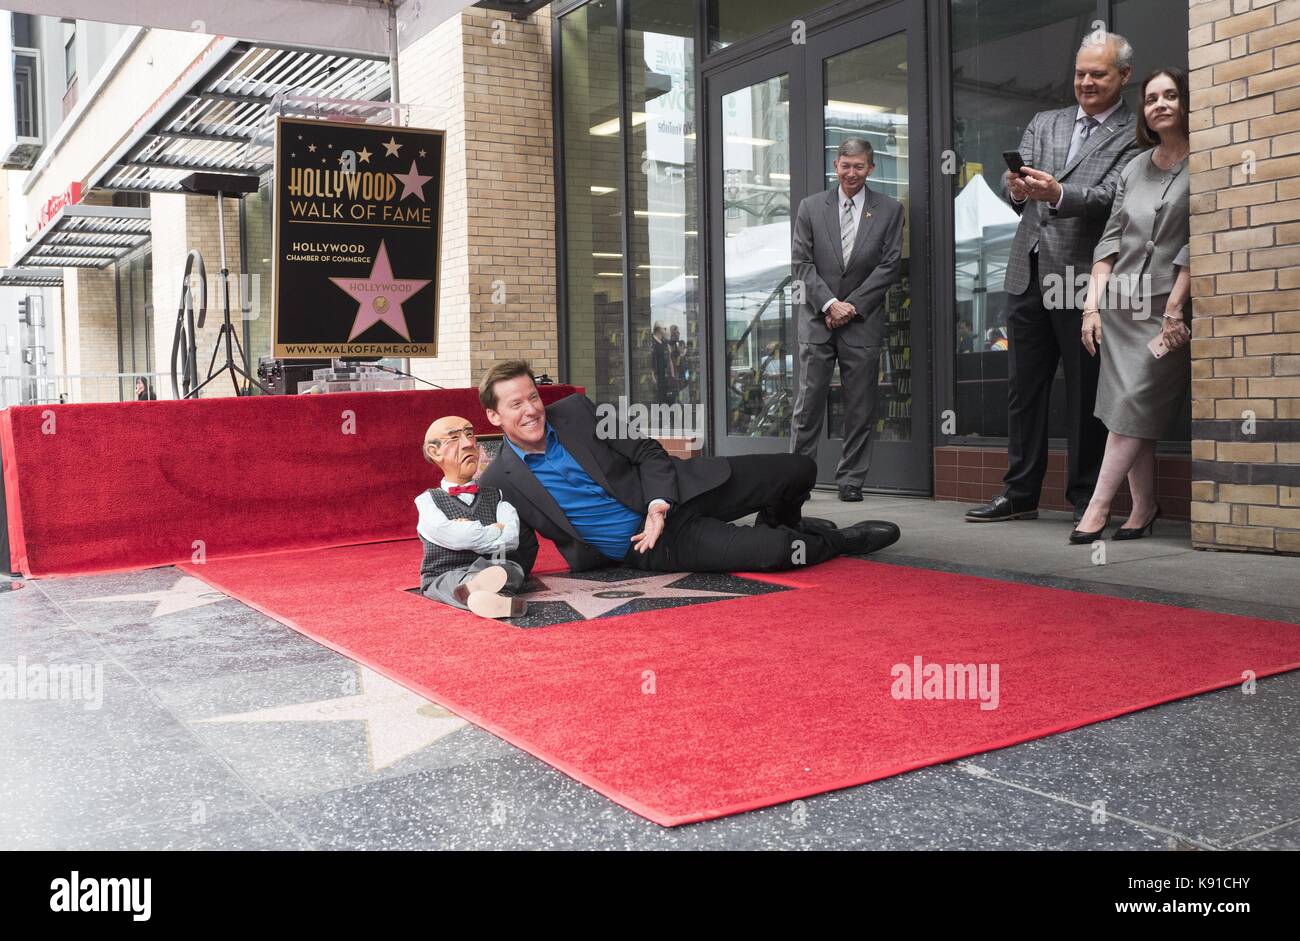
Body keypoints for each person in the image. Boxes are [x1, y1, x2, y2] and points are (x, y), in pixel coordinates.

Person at [476, 360, 901, 576]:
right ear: (495, 418)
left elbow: (646, 451)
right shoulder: (499, 480)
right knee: (774, 554)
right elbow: (518, 545)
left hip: (678, 492)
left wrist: (659, 503)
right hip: (650, 545)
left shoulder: (576, 412)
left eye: (533, 396)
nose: (532, 409)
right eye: (516, 404)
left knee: (798, 468)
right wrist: (492, 579)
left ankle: (785, 523)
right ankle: (836, 541)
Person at [966, 31, 1143, 525]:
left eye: (1098, 74)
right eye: (1080, 73)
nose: (1085, 82)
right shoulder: (1046, 121)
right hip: (1027, 271)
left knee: (1086, 391)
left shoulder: (1135, 133)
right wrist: (1018, 189)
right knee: (1024, 389)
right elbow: (1019, 196)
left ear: (1123, 76)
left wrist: (1059, 193)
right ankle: (1019, 493)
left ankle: (1086, 496)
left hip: (1083, 278)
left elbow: (1113, 198)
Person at [1073, 68, 1191, 543]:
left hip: (1167, 309)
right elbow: (1111, 240)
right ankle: (1143, 506)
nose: (1159, 104)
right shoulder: (1133, 167)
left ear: (1186, 103)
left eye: (1170, 96)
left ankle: (1097, 508)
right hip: (1121, 308)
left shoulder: (1209, 164)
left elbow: (1198, 244)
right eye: (1150, 98)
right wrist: (1091, 308)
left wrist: (1176, 309)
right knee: (1128, 413)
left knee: (1131, 404)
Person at [790, 137, 905, 503]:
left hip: (861, 321)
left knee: (860, 407)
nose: (851, 173)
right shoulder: (810, 207)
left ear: (871, 168)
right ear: (835, 166)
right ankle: (796, 480)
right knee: (808, 407)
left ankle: (851, 480)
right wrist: (829, 304)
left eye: (859, 166)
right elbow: (802, 264)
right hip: (817, 321)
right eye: (845, 165)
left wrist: (851, 306)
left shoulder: (889, 210)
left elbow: (889, 266)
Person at [415, 415, 530, 619]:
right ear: (435, 451)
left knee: (513, 570)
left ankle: (479, 594)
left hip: (494, 568)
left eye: (470, 435)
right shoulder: (428, 501)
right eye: (455, 438)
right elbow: (457, 537)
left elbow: (510, 539)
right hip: (446, 572)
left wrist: (470, 530)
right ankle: (484, 593)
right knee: (448, 582)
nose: (468, 444)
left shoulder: (496, 495)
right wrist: (495, 529)